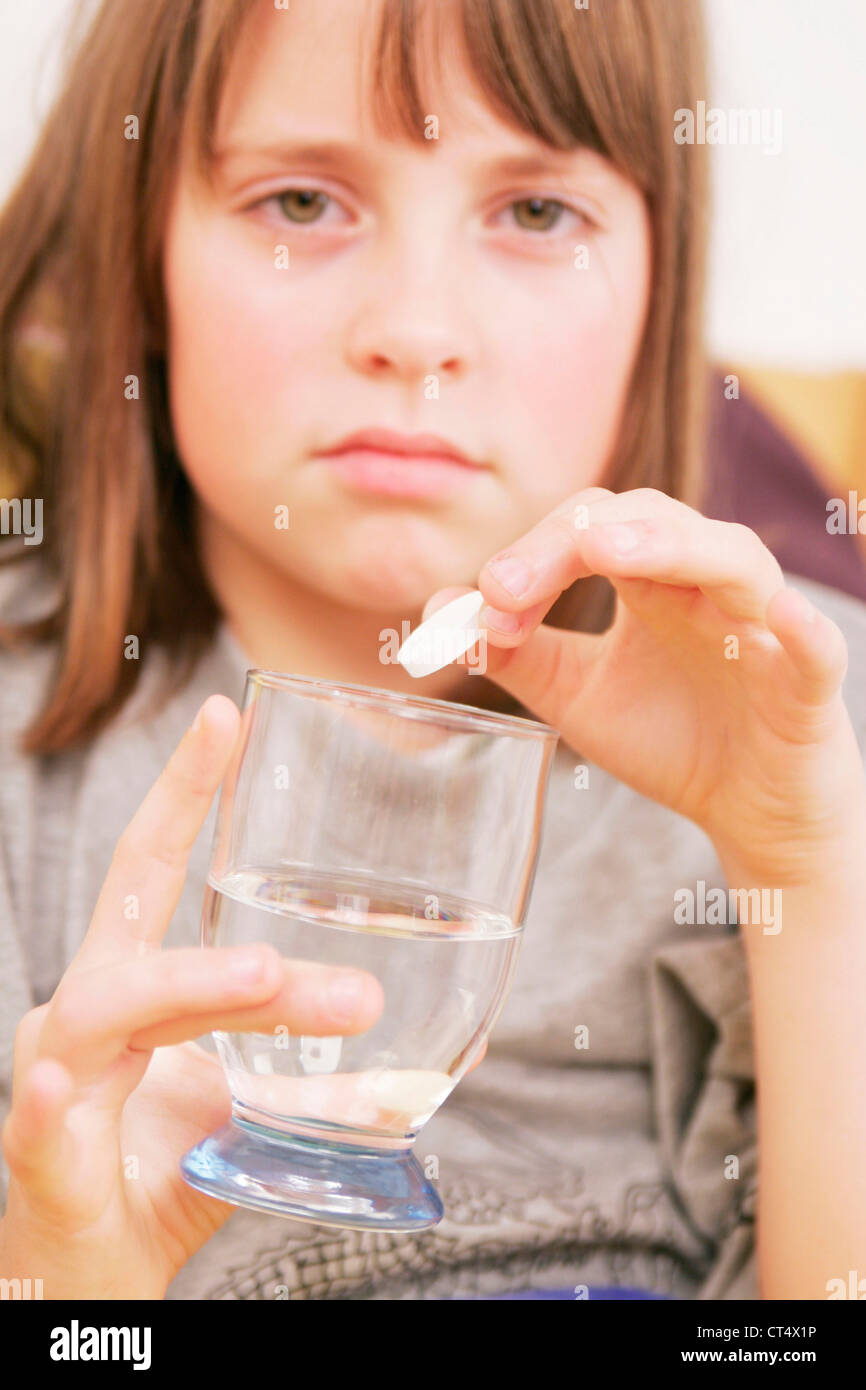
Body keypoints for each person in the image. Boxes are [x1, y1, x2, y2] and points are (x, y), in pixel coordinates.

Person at [1, 0, 865, 1301]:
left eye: (532, 214)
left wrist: (799, 871)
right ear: (146, 255)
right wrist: (71, 1295)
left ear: (656, 287)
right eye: (300, 203)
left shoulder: (817, 720)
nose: (415, 329)